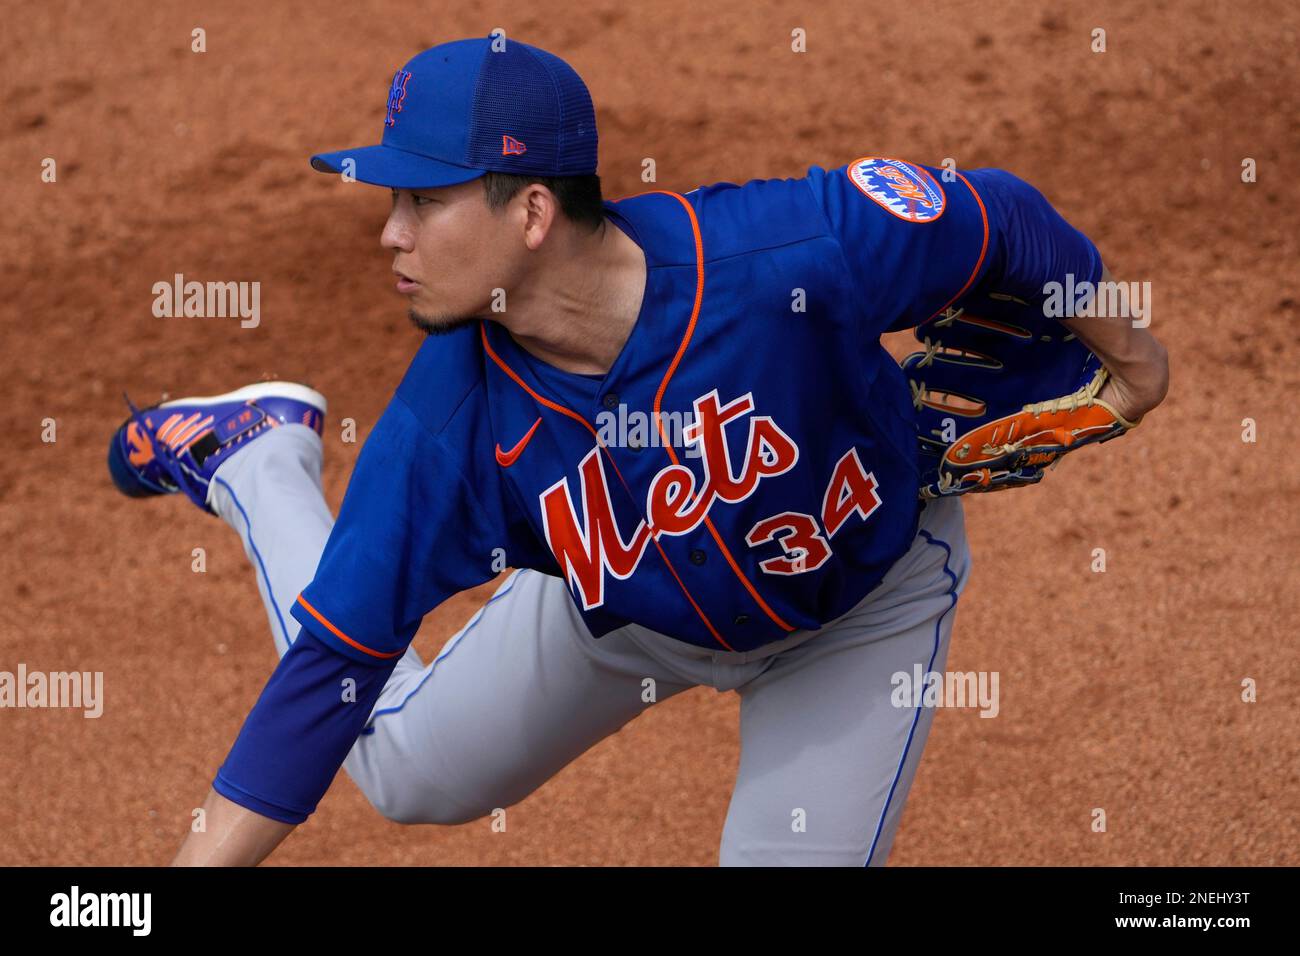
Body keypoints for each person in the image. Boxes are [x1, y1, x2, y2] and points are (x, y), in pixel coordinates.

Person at [109, 34, 1169, 866]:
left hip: (862, 610)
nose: (389, 233)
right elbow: (333, 664)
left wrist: (1136, 362)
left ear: (530, 211)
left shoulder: (791, 256)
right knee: (399, 768)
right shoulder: (447, 429)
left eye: (422, 202)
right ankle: (256, 459)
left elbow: (1002, 219)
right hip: (622, 619)